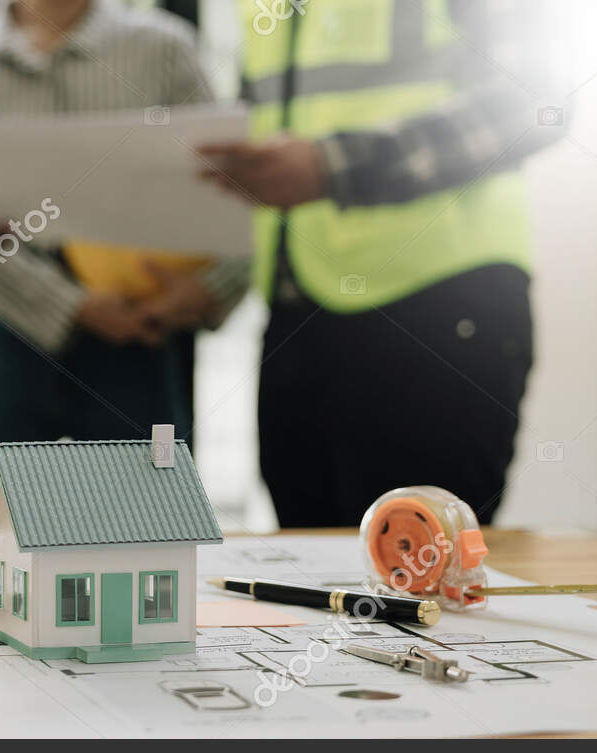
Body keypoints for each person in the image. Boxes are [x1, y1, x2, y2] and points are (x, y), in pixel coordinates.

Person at [199, 0, 564, 526]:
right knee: (311, 573)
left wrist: (334, 165)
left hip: (440, 304)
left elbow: (538, 99)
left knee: (423, 573)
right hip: (297, 313)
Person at [0, 0, 247, 511]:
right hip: (10, 322)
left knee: (147, 531)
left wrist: (210, 290)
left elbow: (227, 188)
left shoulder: (164, 49)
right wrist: (71, 304)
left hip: (142, 325)